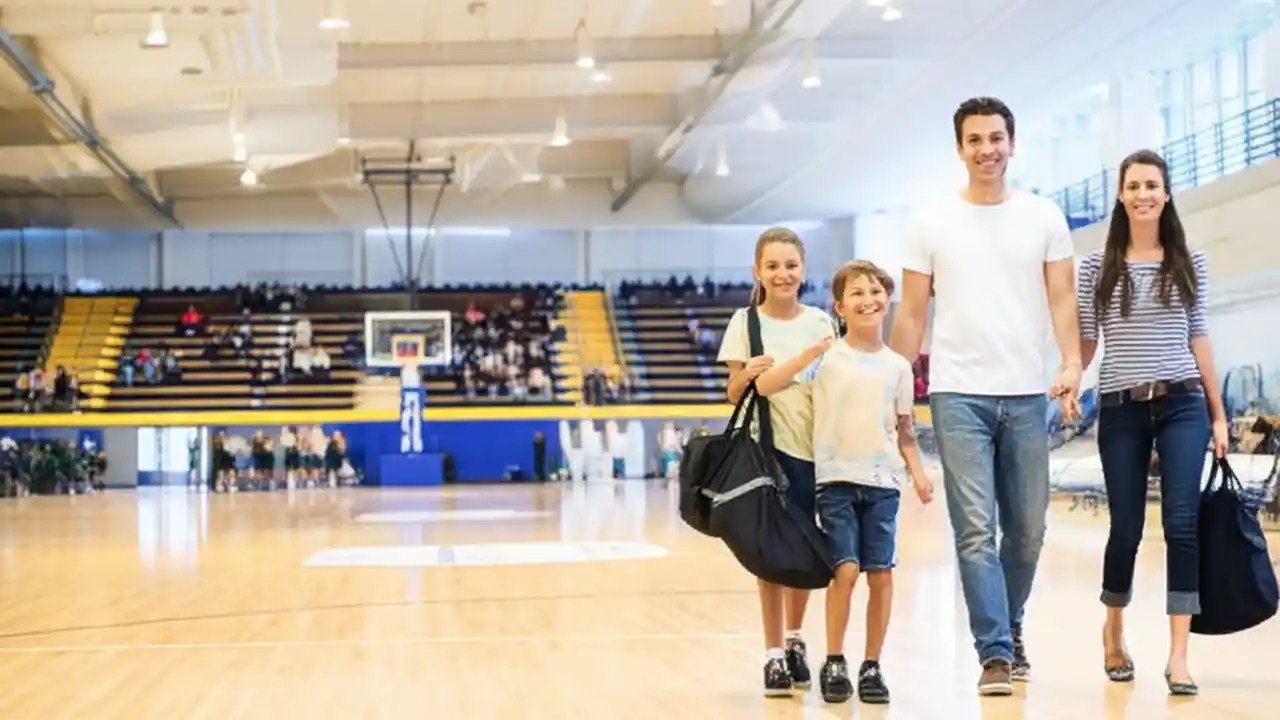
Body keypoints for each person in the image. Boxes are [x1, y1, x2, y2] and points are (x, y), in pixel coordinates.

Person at [889, 96, 1082, 695]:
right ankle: (995, 651)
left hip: (1027, 393)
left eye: (996, 138)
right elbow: (913, 313)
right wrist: (893, 388)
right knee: (975, 529)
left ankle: (1010, 621)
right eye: (975, 140)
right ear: (959, 149)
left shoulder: (1044, 217)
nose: (987, 149)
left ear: (1013, 143)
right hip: (958, 394)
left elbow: (1061, 301)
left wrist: (1073, 361)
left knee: (1026, 530)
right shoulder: (929, 222)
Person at [1075, 149, 1227, 696]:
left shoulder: (1188, 260)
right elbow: (1087, 340)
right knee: (1127, 529)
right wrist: (1070, 380)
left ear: (1166, 194)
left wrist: (1217, 413)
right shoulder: (1096, 266)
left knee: (1182, 526)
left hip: (1183, 401)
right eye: (1134, 185)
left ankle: (1179, 656)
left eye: (1152, 185)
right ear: (1121, 194)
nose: (1143, 194)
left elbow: (1199, 335)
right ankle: (1113, 629)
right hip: (1121, 407)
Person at [756, 260, 935, 704]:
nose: (868, 299)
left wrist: (918, 472)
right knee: (846, 570)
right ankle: (834, 658)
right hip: (834, 481)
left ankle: (872, 664)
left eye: (876, 291)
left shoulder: (897, 367)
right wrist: (795, 359)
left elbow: (905, 431)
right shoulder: (825, 360)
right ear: (839, 306)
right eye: (857, 293)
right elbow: (769, 386)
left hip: (883, 485)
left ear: (886, 300)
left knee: (881, 573)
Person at [717, 226, 838, 697]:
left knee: (803, 550)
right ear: (757, 271)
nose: (782, 273)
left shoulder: (821, 323)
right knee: (770, 557)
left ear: (802, 270)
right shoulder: (744, 323)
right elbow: (733, 396)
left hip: (815, 453)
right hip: (765, 453)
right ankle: (772, 653)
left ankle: (795, 640)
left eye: (790, 265)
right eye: (772, 266)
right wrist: (745, 375)